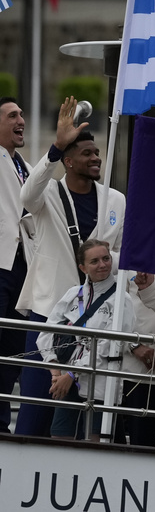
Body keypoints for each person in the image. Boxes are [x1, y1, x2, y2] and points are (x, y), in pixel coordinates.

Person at [17, 97, 126, 436]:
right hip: (50, 313)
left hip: (95, 322)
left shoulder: (116, 199)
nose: (96, 158)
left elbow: (120, 252)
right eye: (86, 154)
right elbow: (25, 196)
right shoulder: (47, 193)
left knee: (81, 416)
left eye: (97, 153)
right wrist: (54, 147)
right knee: (36, 410)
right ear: (67, 161)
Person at [37, 239, 135, 441]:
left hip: (100, 382)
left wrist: (71, 374)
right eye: (95, 261)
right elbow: (45, 332)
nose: (102, 265)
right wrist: (55, 368)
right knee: (59, 437)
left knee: (94, 443)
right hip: (65, 379)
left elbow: (108, 346)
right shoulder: (72, 294)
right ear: (83, 267)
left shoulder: (122, 299)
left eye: (106, 258)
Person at [0, 97, 30, 433]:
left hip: (21, 269)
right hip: (0, 265)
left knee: (11, 353)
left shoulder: (24, 164)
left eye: (21, 114)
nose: (20, 120)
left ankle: (1, 424)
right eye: (12, 115)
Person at [122, 272, 155, 448]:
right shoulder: (133, 260)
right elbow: (114, 310)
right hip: (139, 371)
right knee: (141, 443)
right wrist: (134, 345)